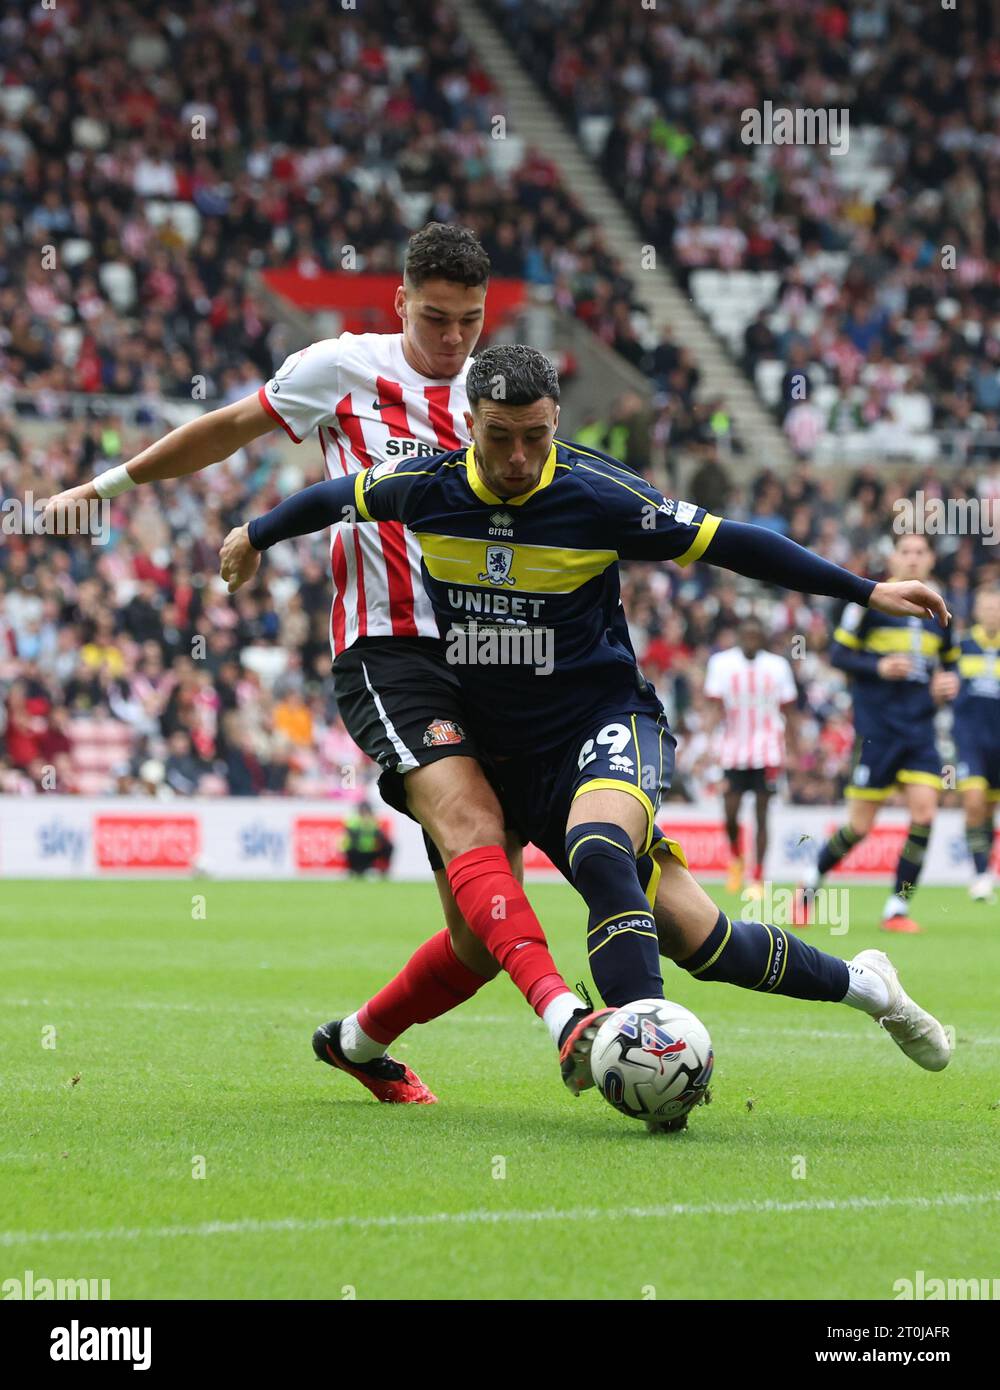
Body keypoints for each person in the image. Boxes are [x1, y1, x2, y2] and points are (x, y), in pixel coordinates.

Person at [224, 343, 954, 1113]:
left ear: (557, 422)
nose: (518, 456)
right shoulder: (422, 488)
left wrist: (867, 591)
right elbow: (331, 498)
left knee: (601, 848)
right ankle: (868, 984)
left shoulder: (598, 495)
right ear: (469, 423)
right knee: (692, 942)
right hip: (497, 748)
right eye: (500, 435)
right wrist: (256, 532)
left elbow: (734, 543)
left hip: (601, 722)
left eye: (536, 435)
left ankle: (649, 1055)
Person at [43, 223, 617, 1106]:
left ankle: (355, 1042)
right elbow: (227, 429)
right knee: (467, 821)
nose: (454, 339)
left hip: (492, 654)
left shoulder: (497, 394)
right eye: (435, 318)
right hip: (387, 650)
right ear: (399, 302)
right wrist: (104, 489)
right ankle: (564, 1020)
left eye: (469, 319)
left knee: (473, 936)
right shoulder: (341, 368)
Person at [799, 534, 959, 933]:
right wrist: (880, 666)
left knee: (925, 813)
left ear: (930, 560)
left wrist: (947, 686)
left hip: (920, 731)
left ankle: (896, 908)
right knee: (859, 828)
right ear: (893, 558)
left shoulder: (941, 612)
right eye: (905, 551)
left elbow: (950, 669)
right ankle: (809, 885)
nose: (912, 558)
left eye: (920, 552)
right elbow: (838, 654)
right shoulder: (871, 600)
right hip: (877, 731)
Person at [704, 617, 798, 897]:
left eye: (757, 635)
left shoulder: (778, 666)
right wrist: (709, 743)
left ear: (763, 638)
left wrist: (794, 747)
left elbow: (789, 710)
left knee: (761, 813)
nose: (751, 640)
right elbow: (714, 707)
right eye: (747, 635)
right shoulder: (721, 663)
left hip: (767, 749)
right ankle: (736, 857)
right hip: (733, 748)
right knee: (730, 813)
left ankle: (757, 877)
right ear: (739, 636)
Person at [952, 586, 1000, 902]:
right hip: (969, 739)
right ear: (977, 610)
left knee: (989, 810)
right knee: (973, 801)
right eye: (986, 607)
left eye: (996, 607)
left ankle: (985, 871)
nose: (991, 612)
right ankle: (981, 872)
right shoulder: (962, 646)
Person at [343, 802, 393, 878]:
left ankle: (383, 868)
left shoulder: (374, 821)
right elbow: (352, 836)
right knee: (353, 853)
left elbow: (381, 837)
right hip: (357, 852)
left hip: (371, 852)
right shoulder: (353, 821)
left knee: (388, 846)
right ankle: (354, 868)